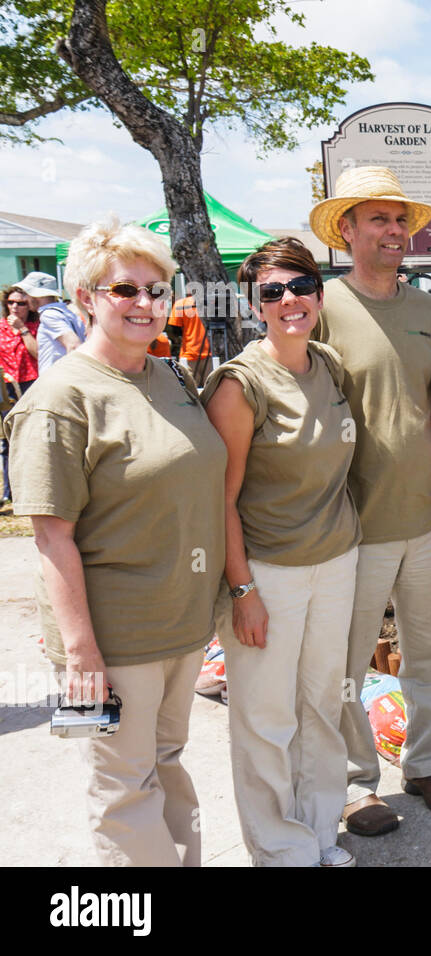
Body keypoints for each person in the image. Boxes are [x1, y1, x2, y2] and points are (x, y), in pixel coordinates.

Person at [2, 218, 226, 865]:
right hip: (108, 644)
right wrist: (80, 656)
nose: (144, 303)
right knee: (122, 792)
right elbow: (50, 538)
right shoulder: (59, 400)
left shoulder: (171, 377)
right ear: (86, 298)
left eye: (158, 290)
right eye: (124, 288)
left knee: (167, 764)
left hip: (180, 630)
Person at [308, 165, 431, 834]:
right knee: (344, 665)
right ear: (346, 229)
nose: (394, 230)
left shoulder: (427, 308)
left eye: (400, 220)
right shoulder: (316, 306)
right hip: (354, 524)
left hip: (430, 518)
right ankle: (354, 785)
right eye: (379, 219)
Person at [202, 238, 361, 866]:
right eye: (272, 291)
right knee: (266, 719)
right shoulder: (239, 386)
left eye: (299, 287)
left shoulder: (328, 365)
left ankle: (321, 832)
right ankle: (279, 850)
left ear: (319, 296)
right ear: (254, 305)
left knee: (323, 705)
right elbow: (222, 498)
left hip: (337, 561)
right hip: (268, 572)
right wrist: (242, 590)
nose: (288, 300)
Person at [1, 286, 40, 504]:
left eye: (21, 303)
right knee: (8, 439)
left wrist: (23, 329)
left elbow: (37, 353)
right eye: (11, 302)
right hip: (6, 386)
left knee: (33, 437)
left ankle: (32, 487)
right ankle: (9, 490)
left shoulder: (36, 327)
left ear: (29, 306)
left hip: (30, 384)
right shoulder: (0, 328)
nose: (15, 307)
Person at [18, 271, 85, 370]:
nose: (25, 299)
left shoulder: (49, 315)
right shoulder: (68, 313)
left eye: (26, 294)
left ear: (34, 295)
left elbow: (74, 344)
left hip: (58, 380)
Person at [166, 294, 214, 384]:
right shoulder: (213, 303)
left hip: (189, 356)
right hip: (211, 356)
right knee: (211, 393)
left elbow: (175, 331)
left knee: (190, 393)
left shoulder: (180, 304)